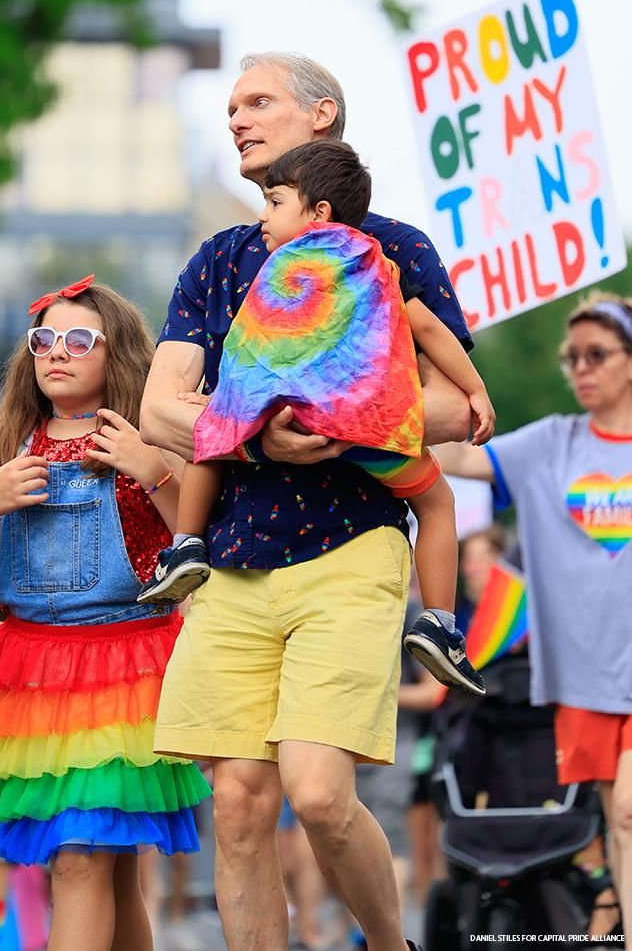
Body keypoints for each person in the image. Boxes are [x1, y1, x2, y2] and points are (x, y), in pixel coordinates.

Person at [140, 51, 477, 951]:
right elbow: (158, 406)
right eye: (231, 105)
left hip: (350, 543)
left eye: (257, 101)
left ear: (322, 116)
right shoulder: (219, 258)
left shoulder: (394, 247)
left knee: (321, 795)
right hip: (230, 555)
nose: (236, 118)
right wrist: (257, 430)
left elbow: (459, 406)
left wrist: (328, 405)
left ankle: (391, 944)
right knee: (240, 804)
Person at [137, 139, 494, 695]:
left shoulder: (265, 266)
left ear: (316, 212)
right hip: (357, 426)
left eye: (275, 202)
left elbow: (239, 351)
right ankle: (440, 623)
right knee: (437, 500)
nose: (263, 215)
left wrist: (240, 410)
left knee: (215, 431)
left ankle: (184, 546)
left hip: (268, 413)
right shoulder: (376, 262)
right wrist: (476, 390)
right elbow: (424, 327)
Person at [0, 278, 211, 951]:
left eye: (80, 339)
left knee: (83, 859)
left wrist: (153, 470)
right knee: (102, 873)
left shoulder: (148, 438)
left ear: (117, 353)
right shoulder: (9, 442)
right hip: (38, 677)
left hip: (127, 666)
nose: (58, 352)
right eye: (43, 339)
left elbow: (201, 544)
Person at [434, 290, 632, 941]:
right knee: (615, 822)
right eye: (570, 356)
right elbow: (456, 459)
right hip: (581, 677)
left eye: (596, 354)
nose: (580, 368)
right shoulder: (550, 444)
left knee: (630, 810)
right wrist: (401, 397)